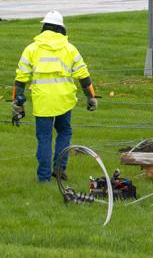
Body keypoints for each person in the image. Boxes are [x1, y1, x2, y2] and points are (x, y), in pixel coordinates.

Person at [12, 11, 97, 182]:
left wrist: (17, 102)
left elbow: (20, 79)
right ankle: (59, 169)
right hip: (64, 100)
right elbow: (83, 76)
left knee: (44, 138)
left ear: (44, 27)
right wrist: (91, 97)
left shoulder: (32, 49)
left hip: (42, 101)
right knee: (64, 132)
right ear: (61, 28)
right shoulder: (70, 48)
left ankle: (43, 178)